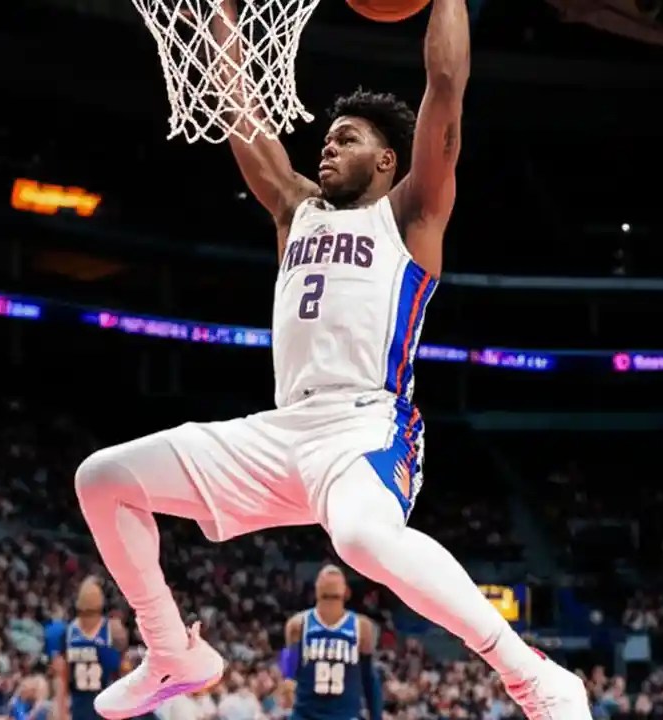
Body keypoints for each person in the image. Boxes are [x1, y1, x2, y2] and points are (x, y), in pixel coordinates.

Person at [72, 0, 591, 715]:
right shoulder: (294, 209)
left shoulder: (412, 214)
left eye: (344, 139)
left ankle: (532, 673)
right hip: (281, 430)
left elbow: (445, 83)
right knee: (102, 479)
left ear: (385, 160)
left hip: (364, 428)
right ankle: (170, 650)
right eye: (326, 138)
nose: (326, 146)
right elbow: (238, 105)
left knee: (358, 538)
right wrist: (224, 17)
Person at [278, 566, 381, 720]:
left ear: (346, 591)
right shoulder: (297, 624)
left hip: (346, 715)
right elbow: (289, 663)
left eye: (337, 573)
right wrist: (286, 679)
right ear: (316, 589)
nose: (331, 571)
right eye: (324, 574)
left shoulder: (361, 627)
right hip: (306, 714)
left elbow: (369, 676)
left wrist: (376, 715)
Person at [52, 579, 131, 720]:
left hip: (103, 706)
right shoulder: (69, 633)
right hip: (84, 706)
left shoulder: (111, 630)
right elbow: (61, 676)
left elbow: (124, 668)